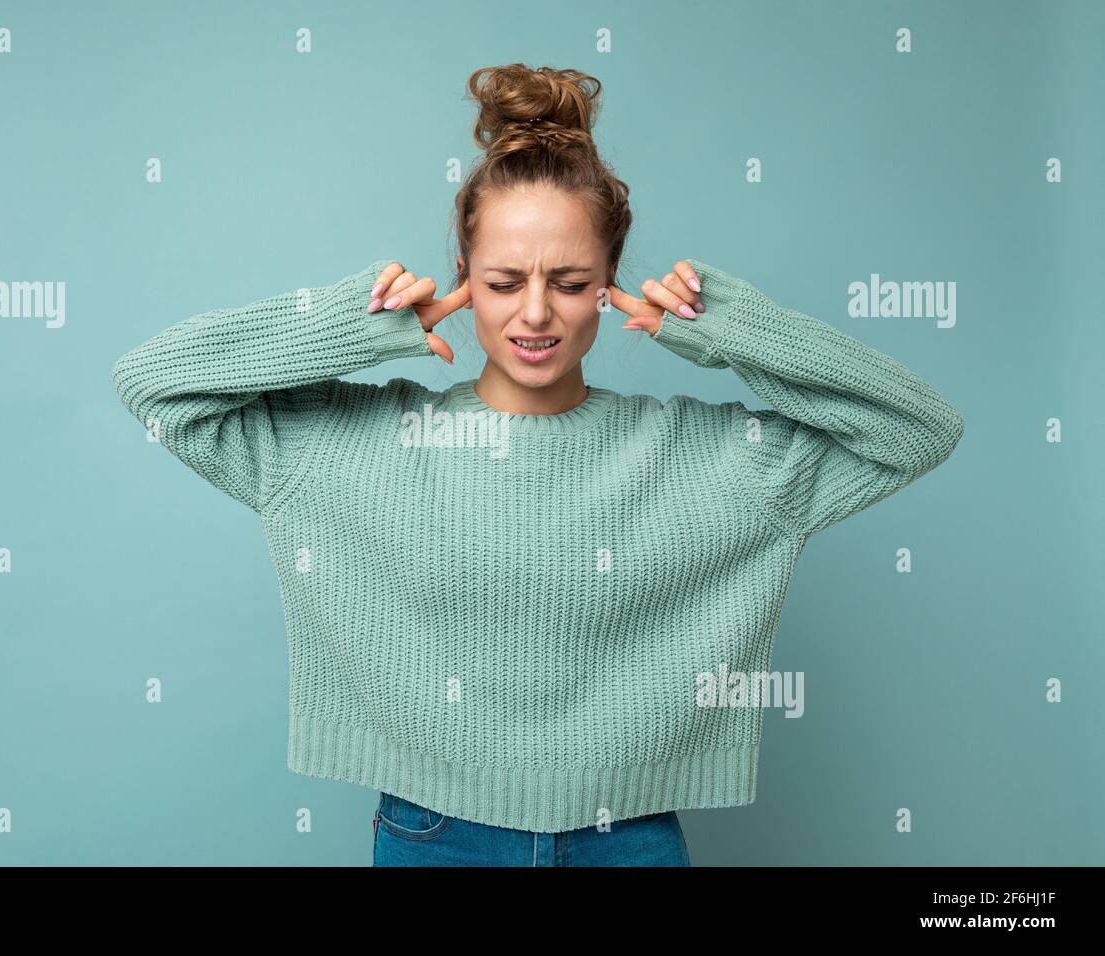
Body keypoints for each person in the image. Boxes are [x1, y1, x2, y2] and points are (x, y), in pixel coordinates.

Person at [111, 63, 965, 867]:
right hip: (432, 833)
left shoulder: (710, 460)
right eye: (503, 279)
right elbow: (155, 384)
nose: (534, 313)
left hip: (629, 836)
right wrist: (352, 322)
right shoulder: (354, 445)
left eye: (567, 280)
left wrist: (727, 329)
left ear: (609, 285)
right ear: (461, 279)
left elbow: (919, 428)